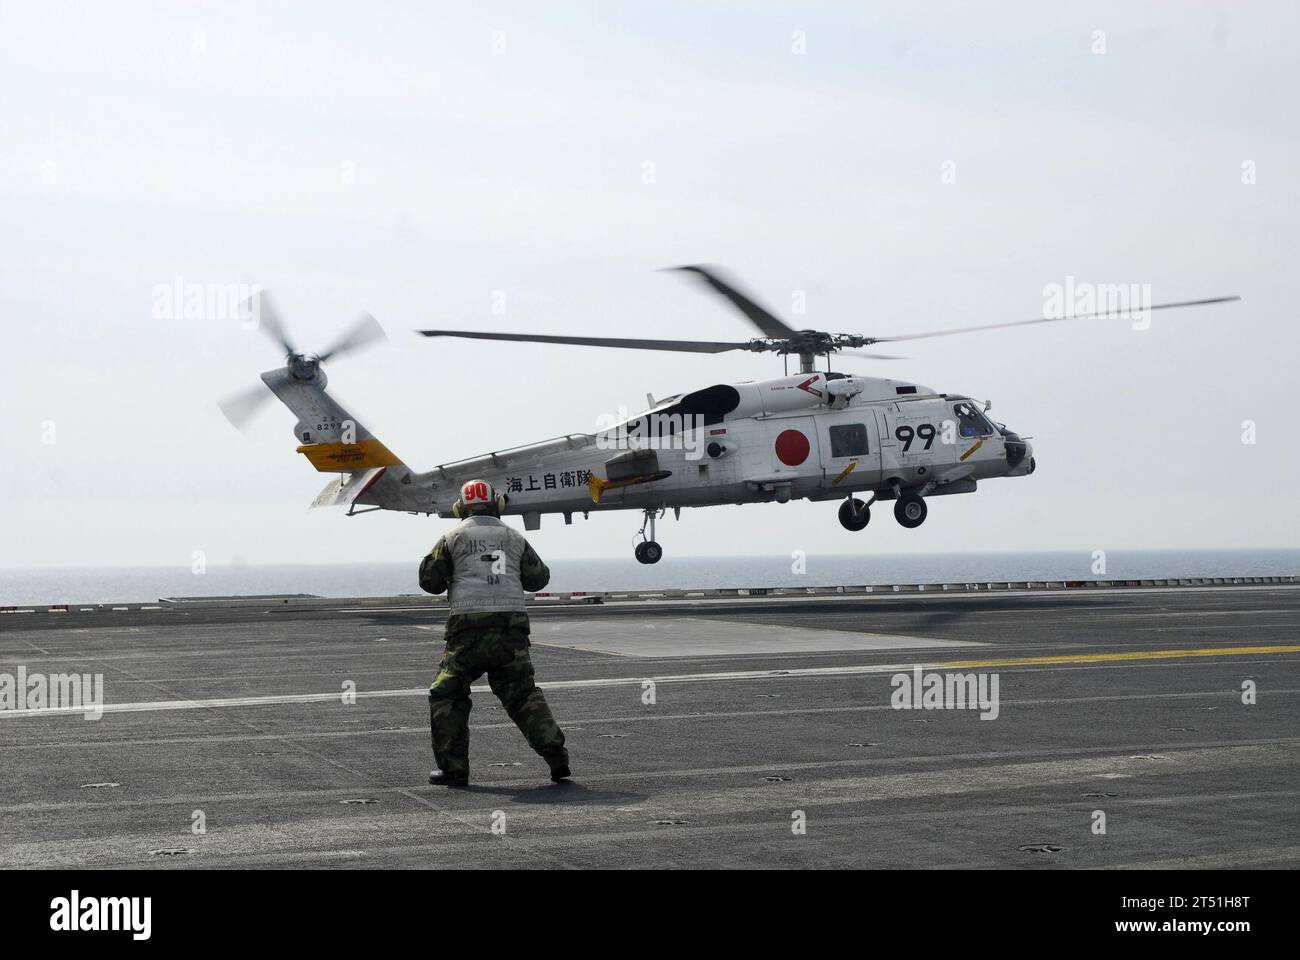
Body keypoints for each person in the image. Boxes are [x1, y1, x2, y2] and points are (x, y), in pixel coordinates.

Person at [418, 478, 570, 788]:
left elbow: (429, 581)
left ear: (460, 508)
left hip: (467, 631)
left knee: (447, 694)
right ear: (498, 505)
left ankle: (454, 769)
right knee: (522, 694)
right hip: (510, 630)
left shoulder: (452, 537)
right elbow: (539, 579)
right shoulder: (514, 538)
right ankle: (557, 758)